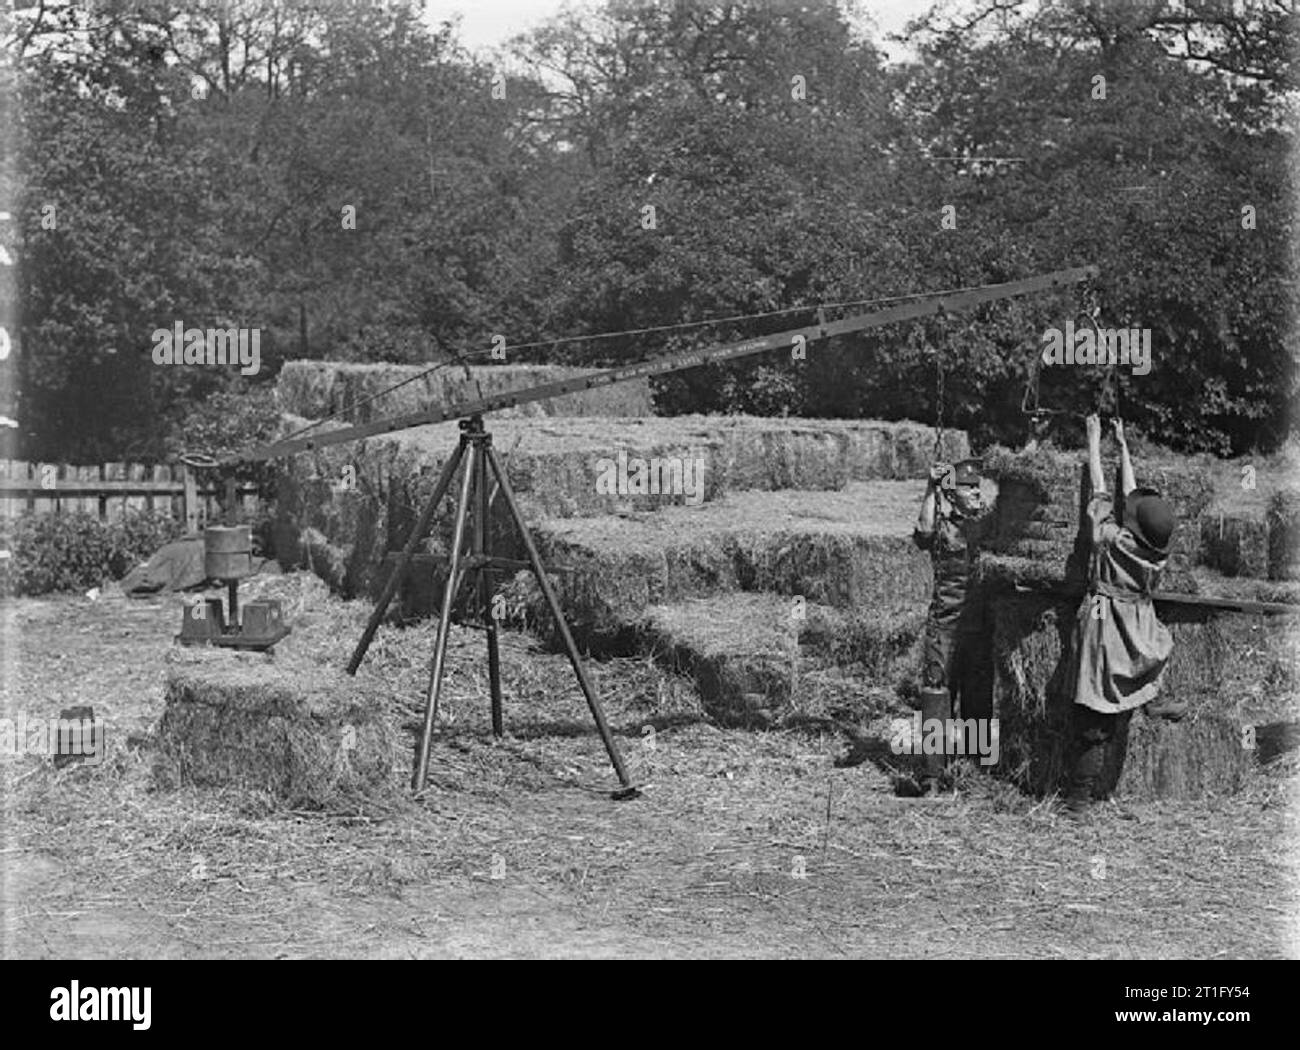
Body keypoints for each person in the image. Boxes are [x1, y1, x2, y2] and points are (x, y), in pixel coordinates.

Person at [1064, 414, 1180, 816]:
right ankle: (1150, 700)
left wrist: (1094, 440)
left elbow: (1100, 491)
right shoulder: (1156, 556)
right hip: (1139, 625)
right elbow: (1130, 493)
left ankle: (1078, 801)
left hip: (1107, 622)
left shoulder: (1113, 542)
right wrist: (1124, 444)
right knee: (1129, 695)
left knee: (1093, 719)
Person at [911, 457, 988, 796]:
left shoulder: (988, 527)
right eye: (968, 487)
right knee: (937, 694)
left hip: (980, 626)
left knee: (979, 697)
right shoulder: (943, 526)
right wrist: (930, 488)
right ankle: (931, 775)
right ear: (952, 493)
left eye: (977, 487)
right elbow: (923, 534)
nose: (975, 493)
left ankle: (976, 768)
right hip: (945, 624)